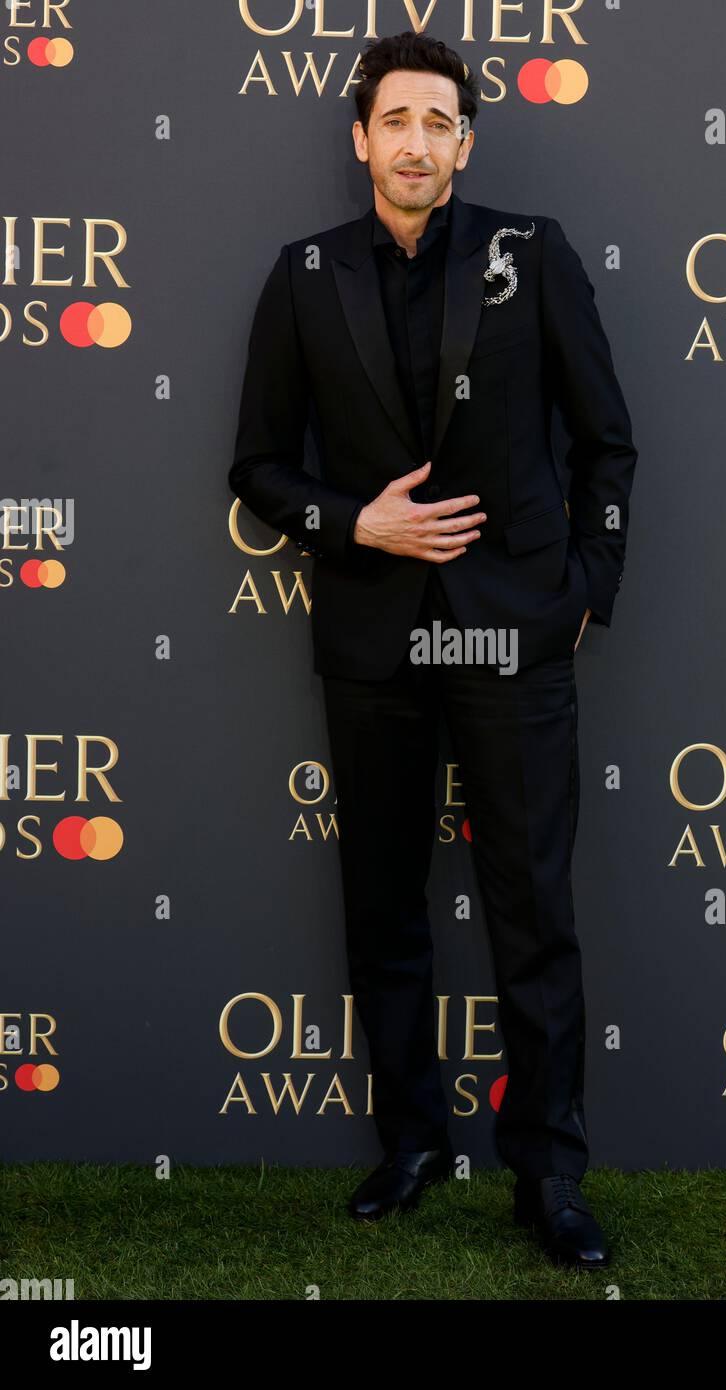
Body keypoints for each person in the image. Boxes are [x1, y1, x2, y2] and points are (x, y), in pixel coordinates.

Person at [230, 30, 638, 1271]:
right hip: (371, 637)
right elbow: (256, 467)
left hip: (517, 633)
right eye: (395, 120)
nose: (417, 143)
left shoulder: (533, 253)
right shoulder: (303, 276)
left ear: (466, 142)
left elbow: (604, 443)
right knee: (382, 905)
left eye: (439, 122)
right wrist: (357, 522)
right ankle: (410, 1142)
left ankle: (549, 1172)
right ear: (360, 139)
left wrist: (584, 590)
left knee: (534, 912)